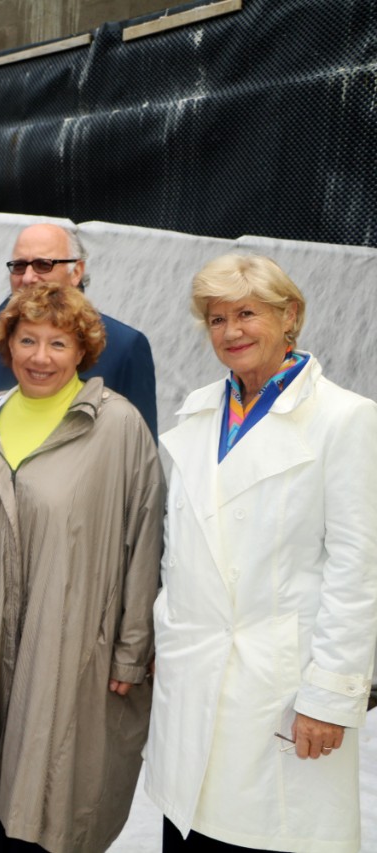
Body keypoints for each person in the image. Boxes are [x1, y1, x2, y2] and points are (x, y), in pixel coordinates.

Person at [142, 255, 377, 852]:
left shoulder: (345, 420)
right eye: (217, 319)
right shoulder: (197, 414)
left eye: (247, 313)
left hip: (279, 688)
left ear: (289, 316)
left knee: (267, 835)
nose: (231, 332)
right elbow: (181, 554)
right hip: (193, 677)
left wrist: (330, 697)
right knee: (190, 829)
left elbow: (357, 570)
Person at [0, 281, 163, 853]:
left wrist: (132, 650)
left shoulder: (117, 429)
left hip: (67, 648)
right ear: (6, 347)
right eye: (27, 340)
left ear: (83, 349)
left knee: (52, 798)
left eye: (58, 343)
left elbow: (145, 545)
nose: (39, 356)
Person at [0, 223, 157, 443]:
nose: (28, 277)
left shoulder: (124, 347)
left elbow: (140, 458)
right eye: (20, 266)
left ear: (76, 272)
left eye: (43, 264)